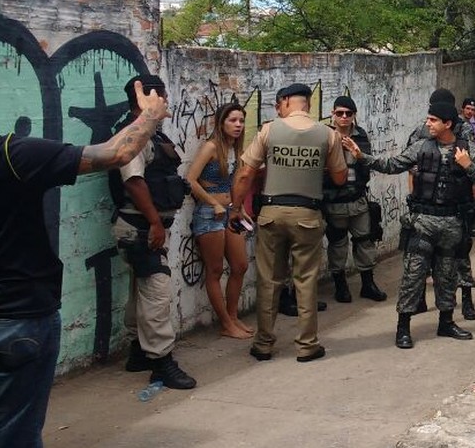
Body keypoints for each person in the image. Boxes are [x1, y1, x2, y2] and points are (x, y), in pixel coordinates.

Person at [0, 80, 165, 448]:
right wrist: (150, 115)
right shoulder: (13, 154)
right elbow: (117, 153)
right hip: (18, 316)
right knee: (16, 433)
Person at [344, 102, 475, 348]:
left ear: (448, 124)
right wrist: (362, 157)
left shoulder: (467, 150)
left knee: (447, 277)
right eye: (428, 119)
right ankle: (403, 327)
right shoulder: (421, 147)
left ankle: (446, 322)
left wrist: (468, 166)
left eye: (433, 120)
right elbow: (391, 165)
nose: (428, 123)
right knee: (413, 275)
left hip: (452, 224)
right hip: (423, 223)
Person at [229, 83, 348, 363]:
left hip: (272, 213)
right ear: (308, 103)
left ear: (284, 102)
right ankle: (307, 345)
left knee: (269, 280)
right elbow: (340, 177)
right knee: (305, 280)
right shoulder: (328, 134)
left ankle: (263, 344)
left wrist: (235, 208)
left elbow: (245, 174)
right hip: (307, 215)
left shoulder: (269, 130)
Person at [109, 75, 198, 391]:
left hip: (146, 227)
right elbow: (134, 182)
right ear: (145, 99)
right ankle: (161, 363)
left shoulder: (152, 134)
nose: (166, 102)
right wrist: (155, 224)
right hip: (141, 228)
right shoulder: (133, 135)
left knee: (142, 289)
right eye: (161, 95)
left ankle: (138, 352)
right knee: (157, 293)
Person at [404, 88, 475, 317]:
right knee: (429, 256)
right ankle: (428, 300)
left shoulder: (460, 129)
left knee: (456, 253)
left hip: (455, 201)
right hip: (435, 201)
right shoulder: (425, 129)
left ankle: (464, 299)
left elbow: (472, 161)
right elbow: (412, 164)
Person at [184, 103, 253, 339]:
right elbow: (191, 179)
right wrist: (213, 203)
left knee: (240, 265)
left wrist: (239, 207)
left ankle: (233, 317)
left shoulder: (235, 149)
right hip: (209, 214)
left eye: (241, 121)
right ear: (221, 123)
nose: (238, 125)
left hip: (230, 213)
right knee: (214, 270)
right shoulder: (211, 147)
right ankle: (226, 323)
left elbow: (235, 182)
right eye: (232, 120)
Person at [323, 96, 387, 304]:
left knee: (365, 241)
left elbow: (367, 163)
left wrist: (356, 153)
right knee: (338, 243)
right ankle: (340, 285)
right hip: (334, 201)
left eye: (348, 113)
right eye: (340, 113)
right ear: (333, 114)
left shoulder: (360, 135)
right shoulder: (324, 135)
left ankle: (368, 284)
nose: (344, 117)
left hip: (357, 199)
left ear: (354, 115)